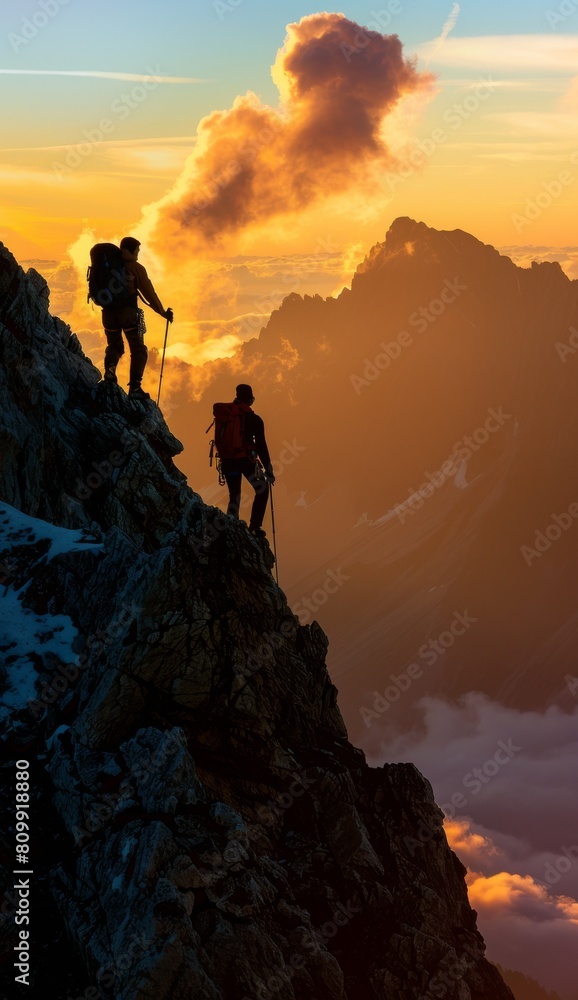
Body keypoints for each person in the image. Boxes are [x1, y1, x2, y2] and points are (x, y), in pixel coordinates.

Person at [101, 236, 173, 399]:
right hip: (128, 315)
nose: (138, 254)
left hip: (108, 314)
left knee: (115, 345)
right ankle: (135, 388)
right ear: (131, 250)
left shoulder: (108, 266)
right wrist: (162, 312)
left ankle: (110, 372)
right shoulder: (135, 268)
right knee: (138, 350)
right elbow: (149, 293)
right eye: (137, 250)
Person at [221, 384, 275, 537]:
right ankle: (254, 527)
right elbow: (261, 446)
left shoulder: (226, 416)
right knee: (262, 489)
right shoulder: (254, 420)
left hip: (228, 461)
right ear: (250, 399)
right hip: (246, 461)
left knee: (234, 494)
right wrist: (268, 469)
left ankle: (231, 525)